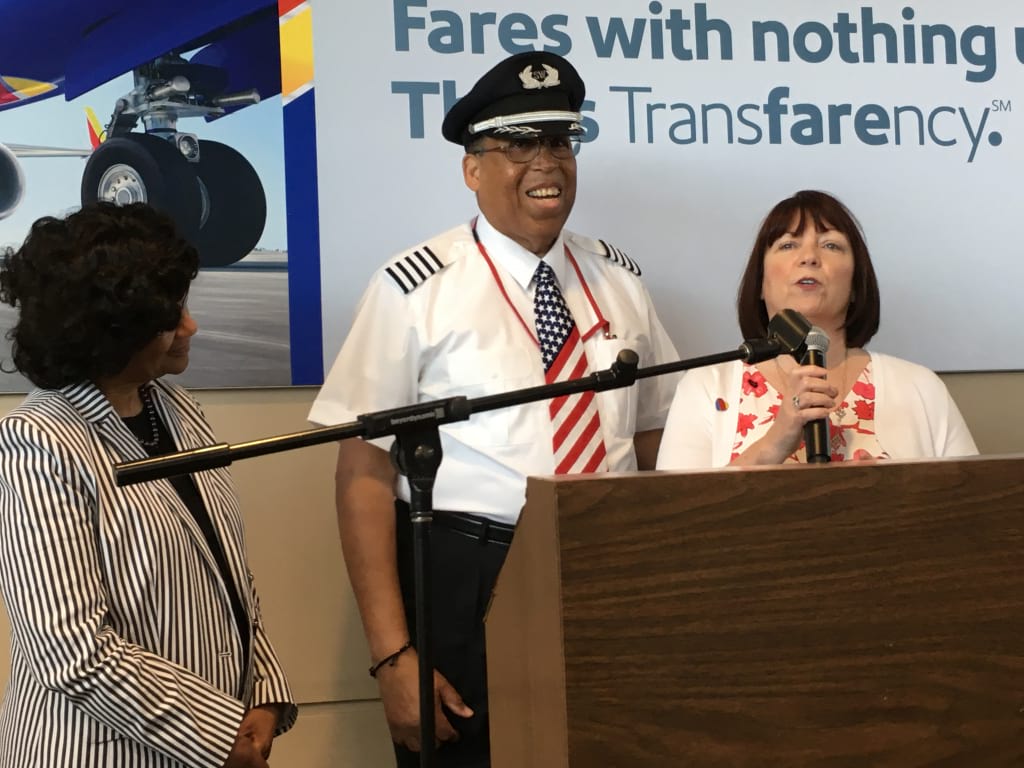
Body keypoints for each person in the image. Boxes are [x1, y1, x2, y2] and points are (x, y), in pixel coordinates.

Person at [309, 51, 680, 767]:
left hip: (615, 569)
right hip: (470, 580)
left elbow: (658, 438)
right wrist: (393, 658)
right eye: (517, 144)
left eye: (560, 141)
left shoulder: (621, 279)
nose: (546, 162)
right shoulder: (414, 288)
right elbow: (362, 476)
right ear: (472, 168)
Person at [0, 202, 297, 767]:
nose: (191, 326)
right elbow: (72, 650)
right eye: (169, 316)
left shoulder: (178, 409)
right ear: (111, 331)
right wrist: (218, 737)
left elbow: (228, 570)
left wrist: (264, 695)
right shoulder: (37, 443)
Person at [656, 189, 977, 470]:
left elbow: (975, 517)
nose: (809, 257)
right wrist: (773, 444)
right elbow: (671, 523)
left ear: (855, 285)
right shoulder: (705, 387)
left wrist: (894, 493)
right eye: (788, 245)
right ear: (760, 284)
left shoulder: (920, 387)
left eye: (831, 245)